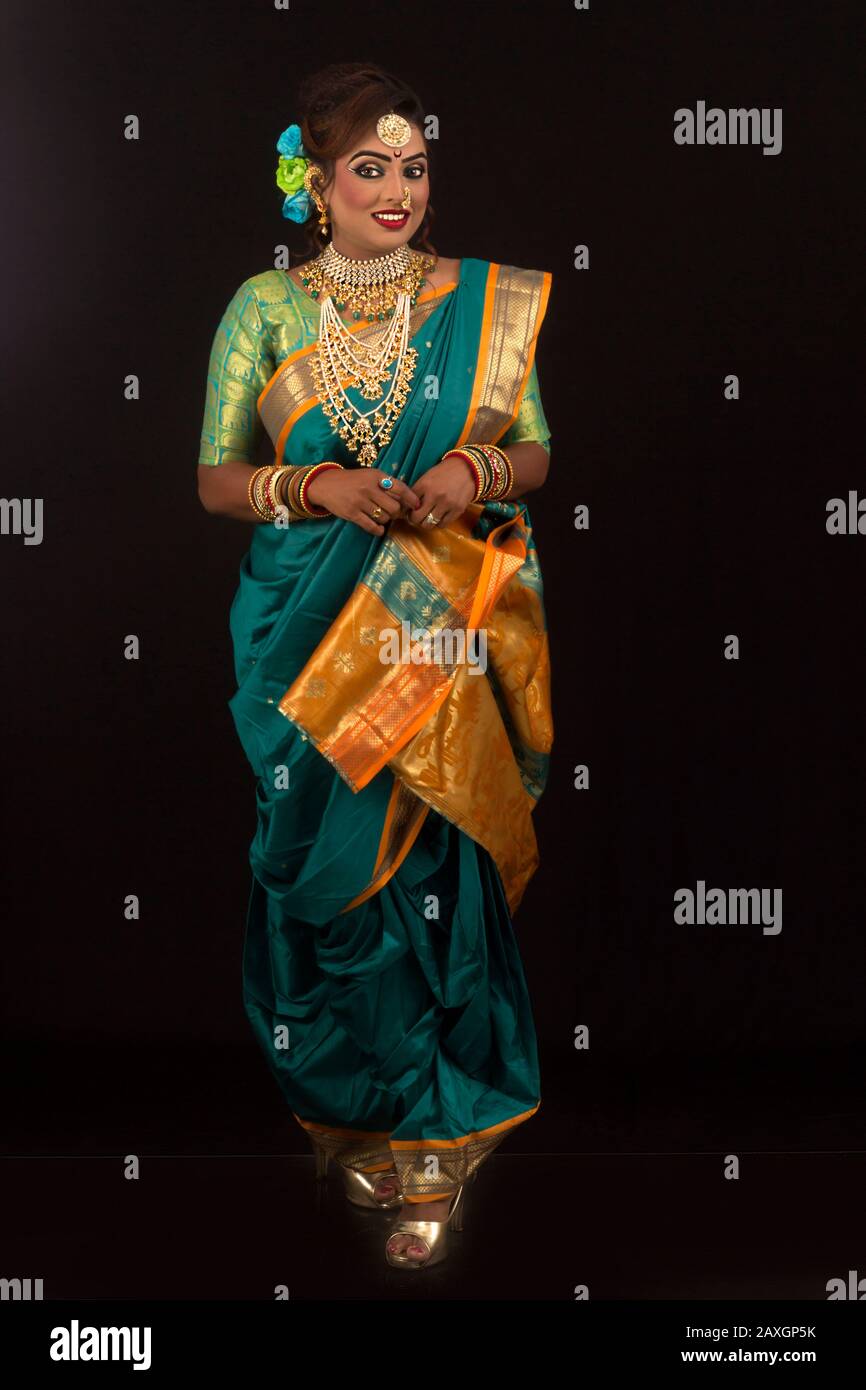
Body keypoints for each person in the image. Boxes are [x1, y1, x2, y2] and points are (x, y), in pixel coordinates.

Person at [197, 61, 554, 1271]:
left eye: (412, 168)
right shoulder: (263, 308)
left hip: (432, 629)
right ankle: (360, 1110)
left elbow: (539, 450)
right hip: (305, 643)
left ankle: (429, 1152)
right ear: (314, 184)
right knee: (334, 891)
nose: (397, 190)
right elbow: (211, 478)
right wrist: (315, 487)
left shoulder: (478, 302)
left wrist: (469, 476)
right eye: (369, 169)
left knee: (430, 878)